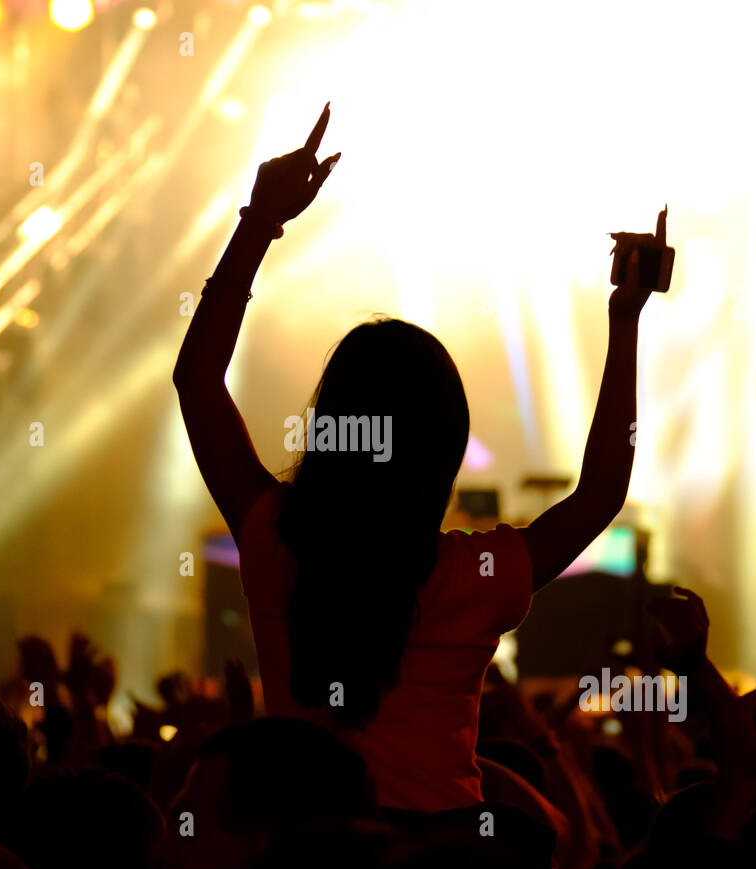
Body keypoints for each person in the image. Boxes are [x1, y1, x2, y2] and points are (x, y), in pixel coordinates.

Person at [174, 103, 657, 812]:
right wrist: (624, 320)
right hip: (447, 863)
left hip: (309, 858)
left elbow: (197, 382)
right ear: (445, 452)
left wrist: (258, 223)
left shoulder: (275, 540)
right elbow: (602, 492)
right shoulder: (473, 577)